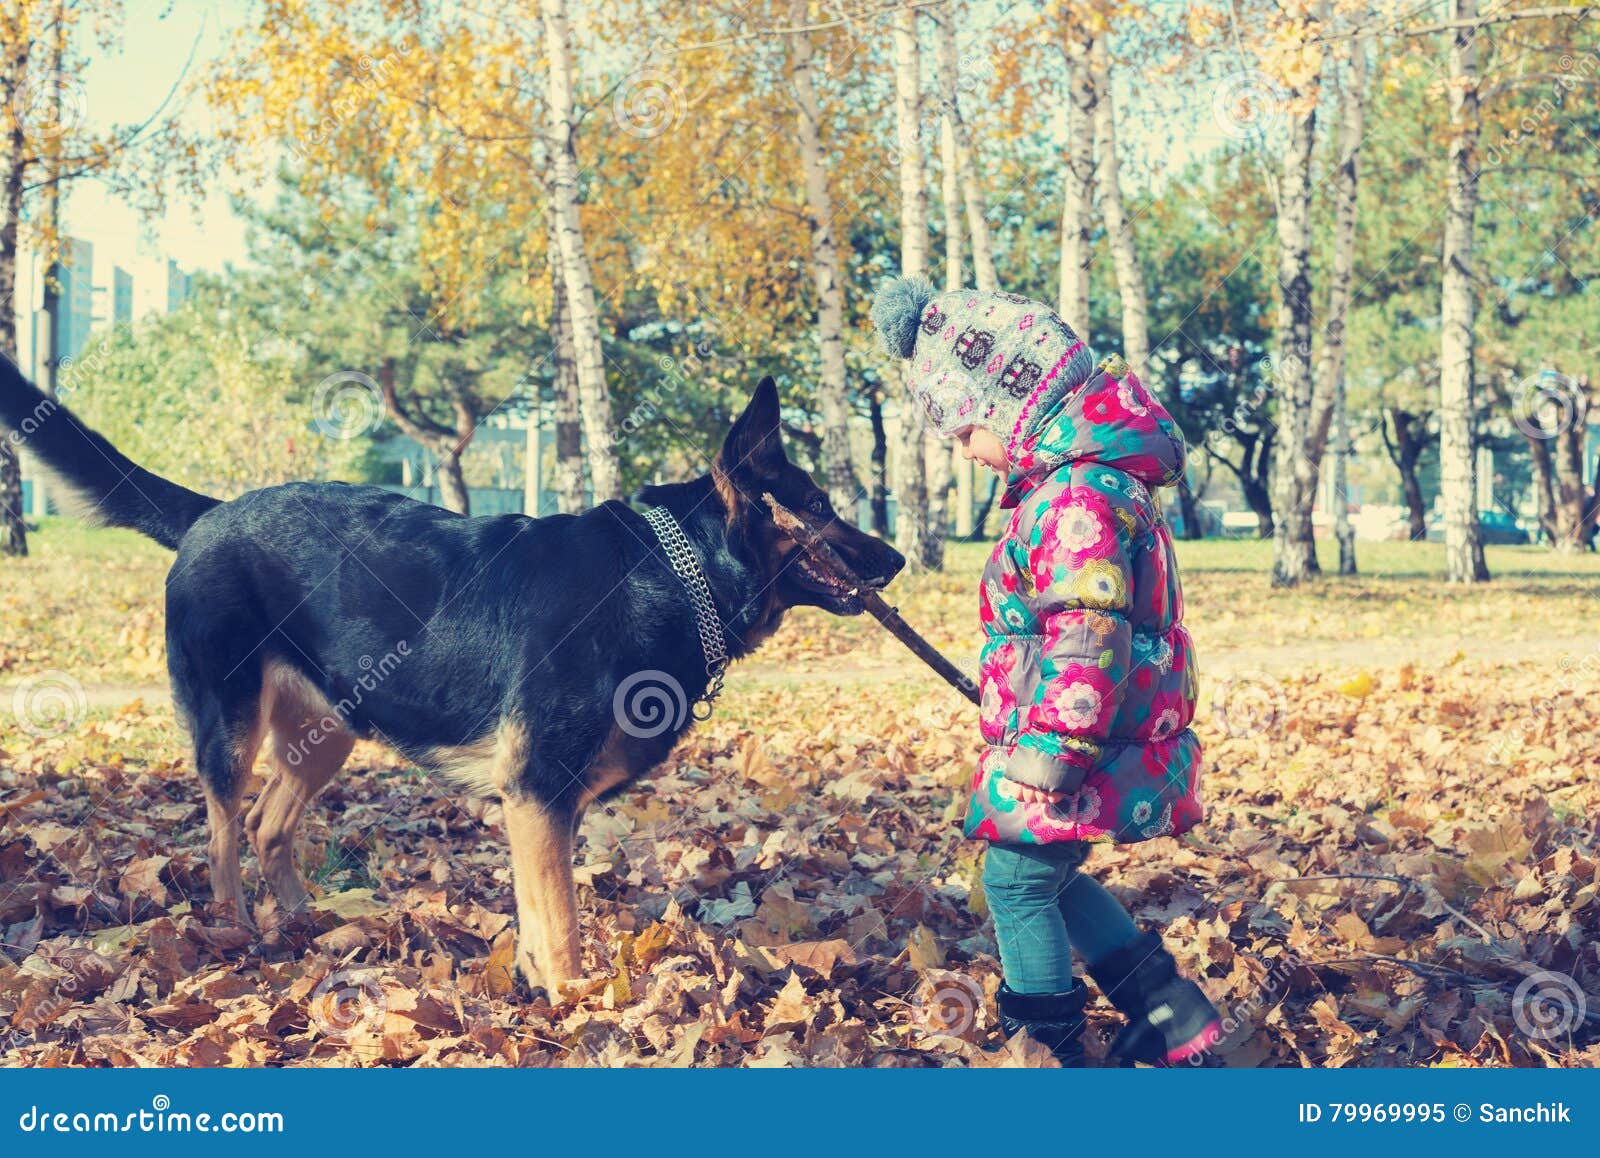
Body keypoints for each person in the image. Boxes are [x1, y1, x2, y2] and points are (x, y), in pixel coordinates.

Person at [872, 278, 1222, 1067]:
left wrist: (1051, 755)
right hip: (1097, 732)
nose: (963, 448)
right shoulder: (1081, 484)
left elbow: (1087, 634)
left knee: (1015, 880)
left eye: (965, 428)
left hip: (1078, 741)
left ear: (1013, 405)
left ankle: (1048, 1054)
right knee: (1047, 876)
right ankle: (1167, 1014)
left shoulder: (1074, 499)